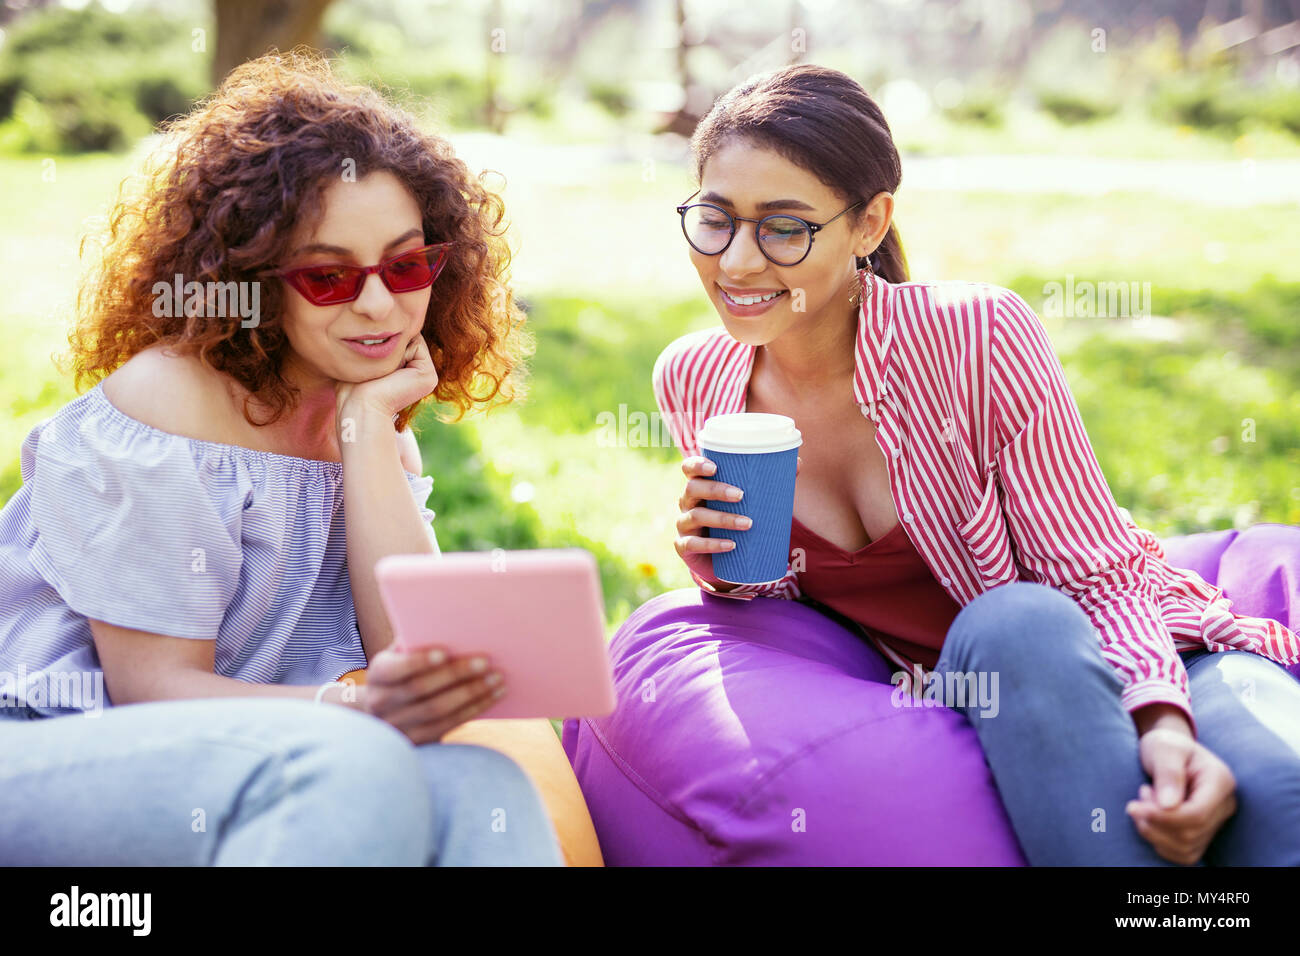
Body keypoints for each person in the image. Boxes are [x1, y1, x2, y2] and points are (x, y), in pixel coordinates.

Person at [637, 64, 1300, 865]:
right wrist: (724, 567)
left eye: (784, 227)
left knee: (1269, 805)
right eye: (715, 219)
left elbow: (1098, 578)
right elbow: (786, 616)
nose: (737, 263)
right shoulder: (697, 378)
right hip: (968, 701)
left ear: (870, 223)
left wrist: (1162, 721)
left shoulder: (975, 337)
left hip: (1155, 655)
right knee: (1009, 631)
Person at [0, 49, 560, 866]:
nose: (379, 305)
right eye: (329, 278)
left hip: (262, 756)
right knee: (350, 757)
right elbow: (149, 690)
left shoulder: (366, 413)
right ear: (257, 278)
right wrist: (350, 708)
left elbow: (402, 654)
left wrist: (370, 432)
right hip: (58, 746)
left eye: (406, 266)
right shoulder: (167, 405)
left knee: (486, 786)